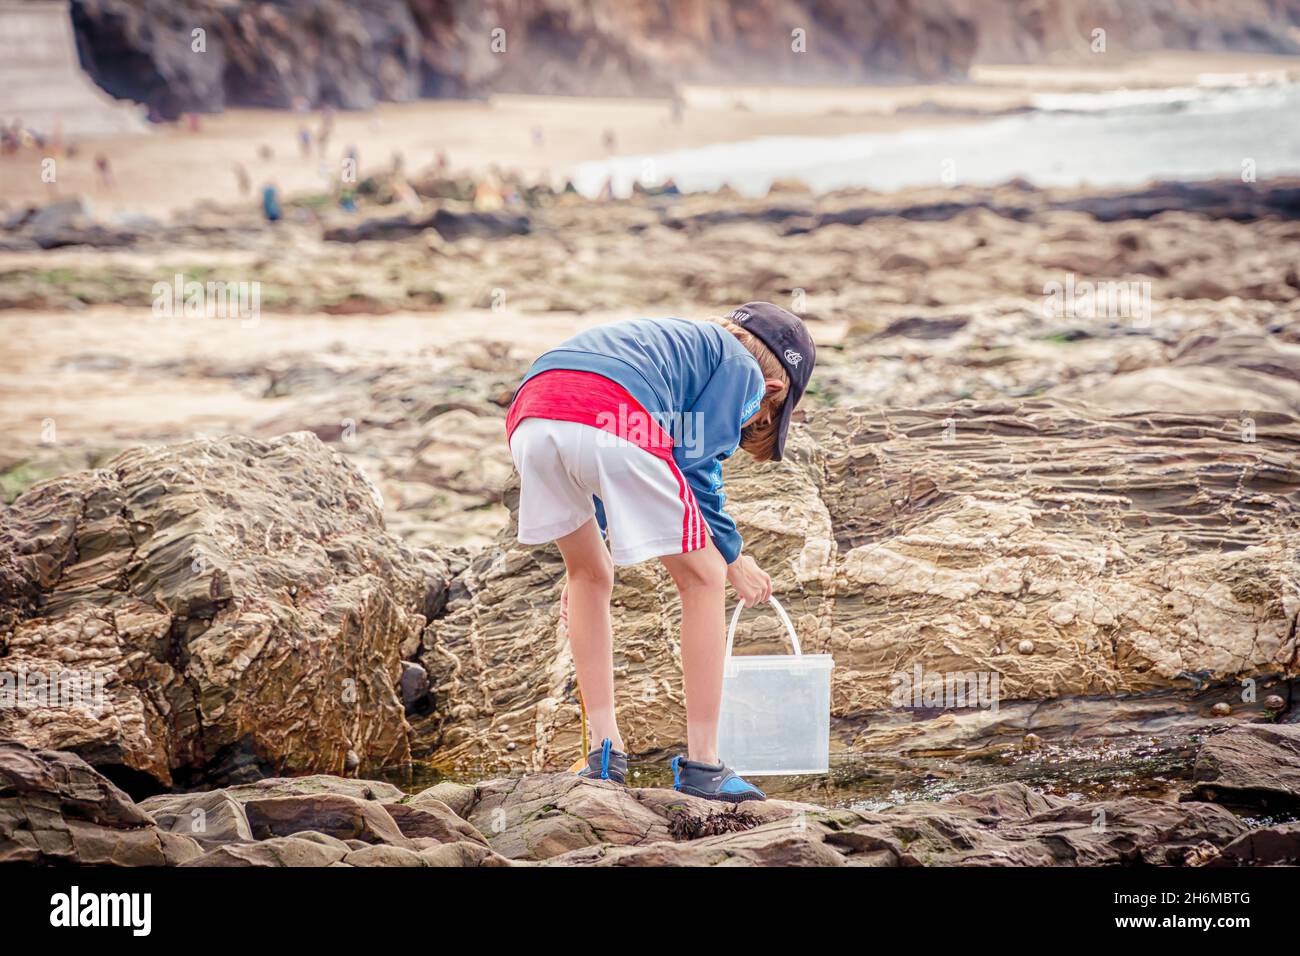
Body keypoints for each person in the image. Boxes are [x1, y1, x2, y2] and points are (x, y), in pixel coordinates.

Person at [504, 303, 815, 802]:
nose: (753, 422)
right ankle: (705, 766)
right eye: (761, 418)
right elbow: (694, 463)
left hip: (533, 413)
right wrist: (733, 559)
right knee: (703, 577)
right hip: (611, 413)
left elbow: (597, 456)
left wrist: (597, 534)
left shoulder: (673, 341)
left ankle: (604, 756)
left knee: (588, 574)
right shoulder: (743, 371)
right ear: (774, 390)